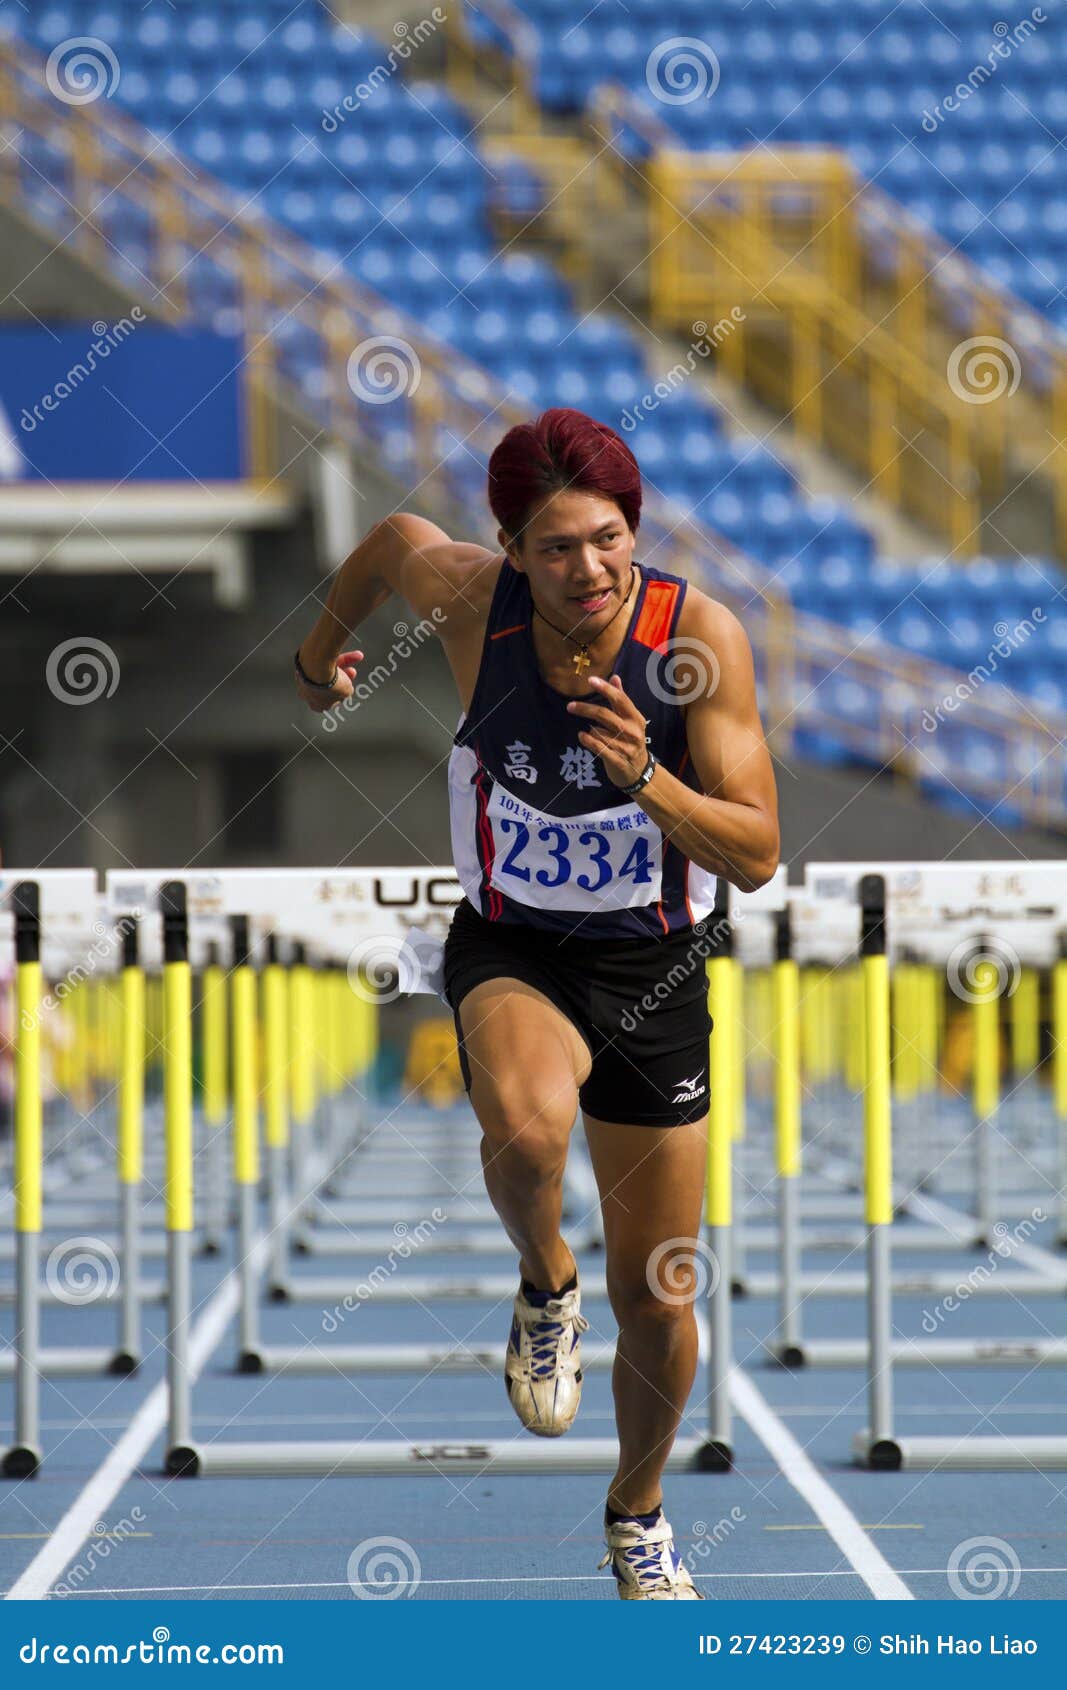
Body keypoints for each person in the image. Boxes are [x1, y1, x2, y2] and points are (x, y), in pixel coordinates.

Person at [295, 408, 779, 1599]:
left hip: (652, 970)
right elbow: (383, 544)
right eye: (557, 547)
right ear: (510, 548)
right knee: (521, 1130)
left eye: (609, 539)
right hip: (513, 945)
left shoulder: (696, 639)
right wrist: (318, 661)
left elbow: (759, 852)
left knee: (662, 1289)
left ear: (637, 533)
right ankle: (543, 1280)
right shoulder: (469, 602)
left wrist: (646, 779)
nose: (590, 570)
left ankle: (636, 1508)